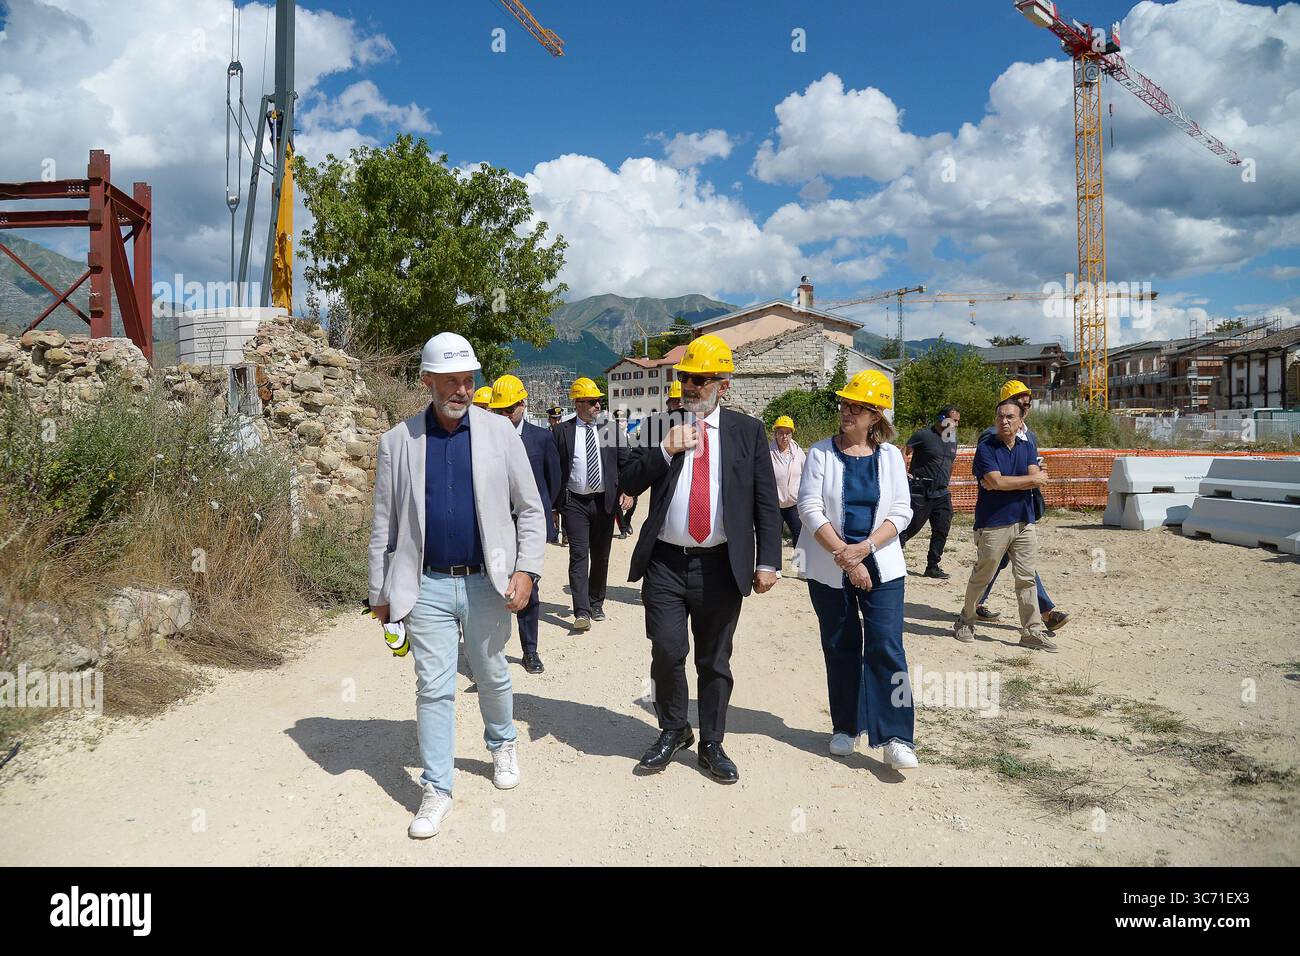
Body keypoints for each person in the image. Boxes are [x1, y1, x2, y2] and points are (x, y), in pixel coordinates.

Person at [368, 332, 546, 840]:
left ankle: (502, 742)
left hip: (488, 584)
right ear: (427, 380)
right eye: (452, 381)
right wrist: (380, 594)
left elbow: (530, 510)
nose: (463, 390)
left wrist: (526, 570)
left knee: (491, 674)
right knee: (434, 688)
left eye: (469, 381)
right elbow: (384, 525)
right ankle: (437, 789)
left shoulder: (499, 434)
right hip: (425, 586)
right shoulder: (397, 442)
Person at [621, 334, 782, 783]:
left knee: (714, 659)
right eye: (685, 378)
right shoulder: (660, 424)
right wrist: (664, 449)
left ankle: (712, 742)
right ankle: (673, 729)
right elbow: (630, 481)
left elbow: (765, 502)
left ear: (723, 384)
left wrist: (768, 560)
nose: (690, 387)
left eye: (700, 380)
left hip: (720, 564)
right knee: (667, 651)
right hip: (666, 563)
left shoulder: (746, 431)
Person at [798, 370, 918, 770]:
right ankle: (846, 726)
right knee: (840, 644)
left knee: (887, 646)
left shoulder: (890, 458)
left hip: (882, 564)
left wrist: (863, 550)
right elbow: (810, 508)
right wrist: (846, 558)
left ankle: (897, 736)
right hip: (830, 568)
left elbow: (902, 511)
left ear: (875, 417)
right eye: (844, 405)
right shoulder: (819, 453)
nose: (846, 412)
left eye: (856, 407)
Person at [953, 398, 1056, 651]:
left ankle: (1031, 630)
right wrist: (1028, 480)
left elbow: (1020, 479)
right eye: (1000, 416)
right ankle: (966, 621)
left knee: (1026, 577)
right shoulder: (987, 447)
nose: (1004, 421)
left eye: (1010, 416)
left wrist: (1010, 481)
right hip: (993, 523)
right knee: (983, 575)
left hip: (1024, 521)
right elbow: (997, 482)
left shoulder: (1027, 445)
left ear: (1021, 420)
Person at [974, 381, 1070, 632]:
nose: (1026, 404)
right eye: (1020, 400)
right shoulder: (990, 435)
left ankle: (979, 605)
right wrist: (1029, 479)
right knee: (1001, 563)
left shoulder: (1030, 436)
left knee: (1006, 564)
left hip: (1024, 508)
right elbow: (992, 480)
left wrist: (1037, 475)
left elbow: (1034, 468)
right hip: (998, 514)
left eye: (1027, 401)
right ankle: (1046, 612)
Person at [489, 374, 562, 675]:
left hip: (528, 524)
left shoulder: (541, 438)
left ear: (522, 404)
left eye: (509, 410)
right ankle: (492, 657)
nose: (504, 416)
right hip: (496, 525)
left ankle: (530, 650)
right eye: (499, 411)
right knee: (492, 589)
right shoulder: (485, 440)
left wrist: (546, 511)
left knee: (529, 586)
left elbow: (554, 479)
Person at [553, 377, 628, 631]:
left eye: (599, 401)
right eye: (592, 402)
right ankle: (581, 610)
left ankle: (596, 602)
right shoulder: (561, 432)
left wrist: (627, 491)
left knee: (601, 556)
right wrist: (555, 506)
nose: (598, 406)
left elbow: (624, 462)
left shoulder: (609, 428)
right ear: (578, 404)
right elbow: (555, 471)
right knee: (578, 555)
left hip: (604, 502)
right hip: (575, 502)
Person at [899, 405, 959, 579]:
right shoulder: (924, 435)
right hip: (921, 490)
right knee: (911, 527)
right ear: (942, 418)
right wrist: (903, 473)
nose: (955, 424)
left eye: (957, 421)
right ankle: (893, 554)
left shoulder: (951, 439)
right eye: (953, 420)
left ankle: (932, 566)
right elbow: (905, 451)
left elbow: (950, 462)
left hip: (941, 492)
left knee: (942, 528)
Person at [769, 415, 806, 552]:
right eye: (781, 433)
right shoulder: (768, 452)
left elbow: (807, 473)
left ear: (792, 434)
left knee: (800, 535)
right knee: (773, 537)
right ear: (775, 434)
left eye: (787, 433)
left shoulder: (798, 452)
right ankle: (775, 569)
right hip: (775, 503)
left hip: (794, 503)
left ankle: (801, 567)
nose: (784, 436)